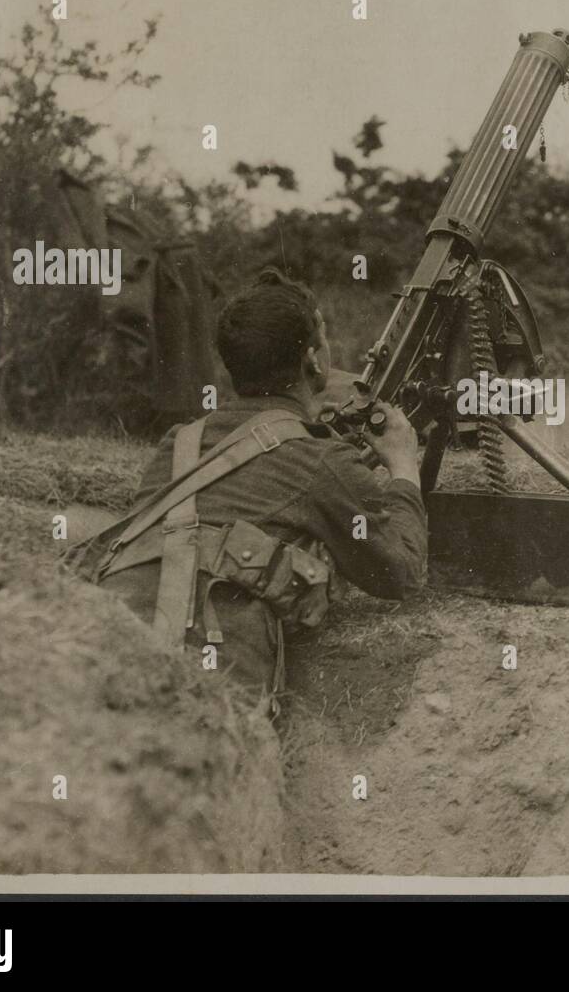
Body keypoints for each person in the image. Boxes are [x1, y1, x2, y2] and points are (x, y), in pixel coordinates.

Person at [71, 269, 426, 710]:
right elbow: (402, 571)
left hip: (104, 647)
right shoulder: (320, 460)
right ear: (314, 360)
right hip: (207, 688)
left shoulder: (179, 441)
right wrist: (403, 463)